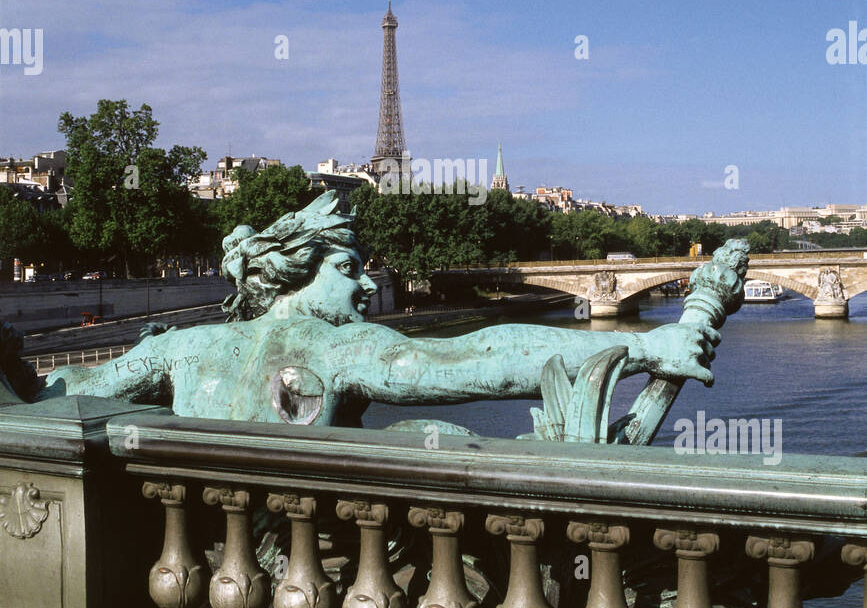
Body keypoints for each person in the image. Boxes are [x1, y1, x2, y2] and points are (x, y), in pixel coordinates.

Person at [35, 192, 720, 427]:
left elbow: (60, 392)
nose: (366, 289)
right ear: (295, 271)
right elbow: (479, 356)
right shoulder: (336, 349)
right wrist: (646, 348)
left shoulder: (179, 349)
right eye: (349, 268)